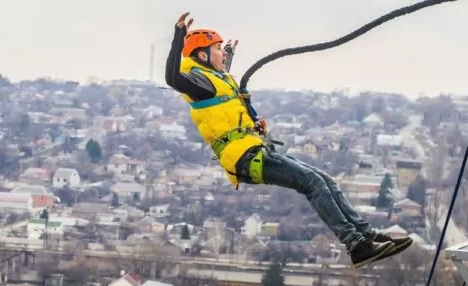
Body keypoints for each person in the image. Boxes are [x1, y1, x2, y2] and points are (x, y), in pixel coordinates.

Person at [164, 12, 413, 268]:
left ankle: (367, 236)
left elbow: (222, 76)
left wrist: (228, 51)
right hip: (242, 158)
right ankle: (356, 245)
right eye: (217, 49)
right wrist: (179, 37)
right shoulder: (197, 83)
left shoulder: (213, 78)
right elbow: (173, 79)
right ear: (203, 55)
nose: (223, 55)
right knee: (312, 183)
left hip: (253, 150)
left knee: (326, 180)